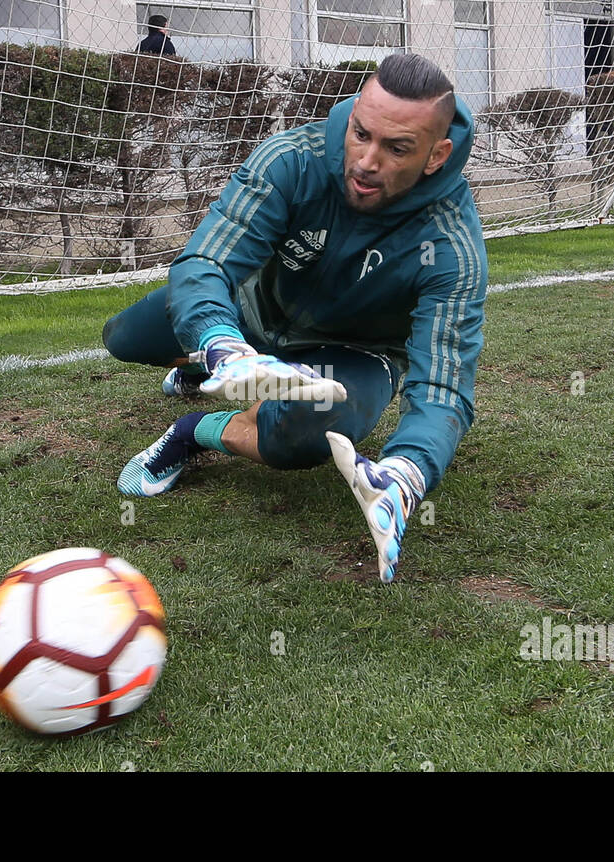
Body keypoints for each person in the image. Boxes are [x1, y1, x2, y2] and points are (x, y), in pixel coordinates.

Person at [101, 53, 487, 583]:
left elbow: (443, 386)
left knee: (300, 437)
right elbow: (206, 262)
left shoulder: (451, 244)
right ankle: (219, 367)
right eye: (360, 133)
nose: (366, 161)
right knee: (123, 337)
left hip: (354, 353)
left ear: (436, 155)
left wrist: (407, 474)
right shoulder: (294, 159)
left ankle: (193, 430)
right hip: (257, 313)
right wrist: (220, 340)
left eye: (396, 148)